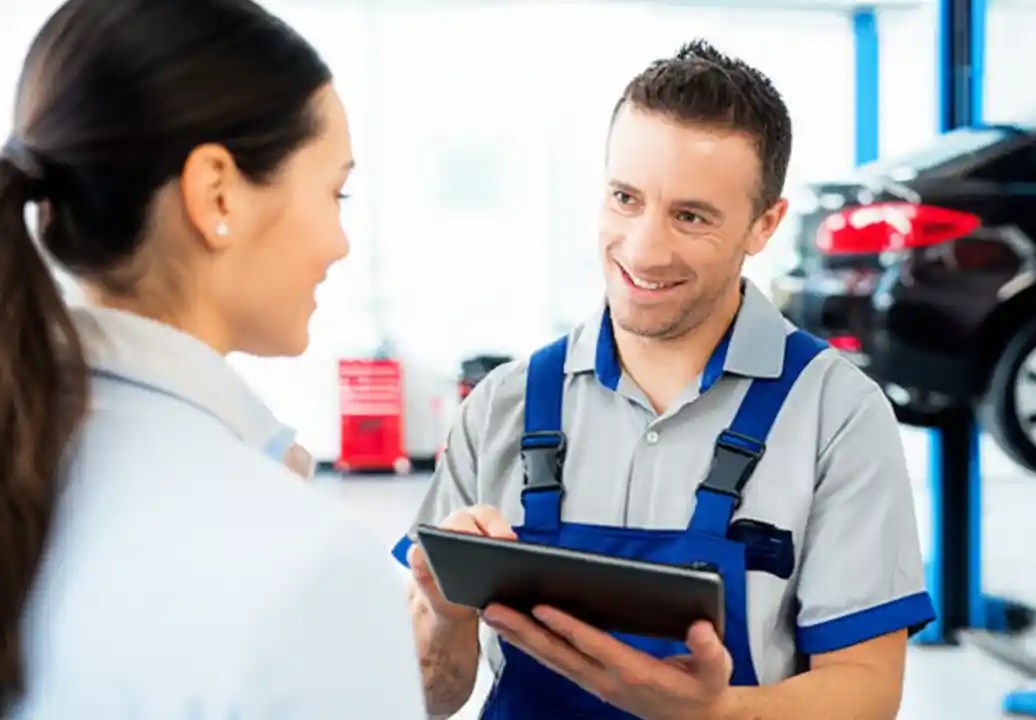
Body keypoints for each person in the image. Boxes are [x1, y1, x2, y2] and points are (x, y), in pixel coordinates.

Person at [398, 40, 936, 719]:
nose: (645, 249)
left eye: (691, 216)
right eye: (625, 198)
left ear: (764, 225)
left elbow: (866, 692)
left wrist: (709, 715)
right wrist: (443, 617)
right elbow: (431, 697)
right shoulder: (502, 406)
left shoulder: (838, 415)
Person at [0, 1, 426, 717]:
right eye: (336, 192)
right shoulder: (308, 569)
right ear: (216, 192)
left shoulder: (32, 467)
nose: (341, 243)